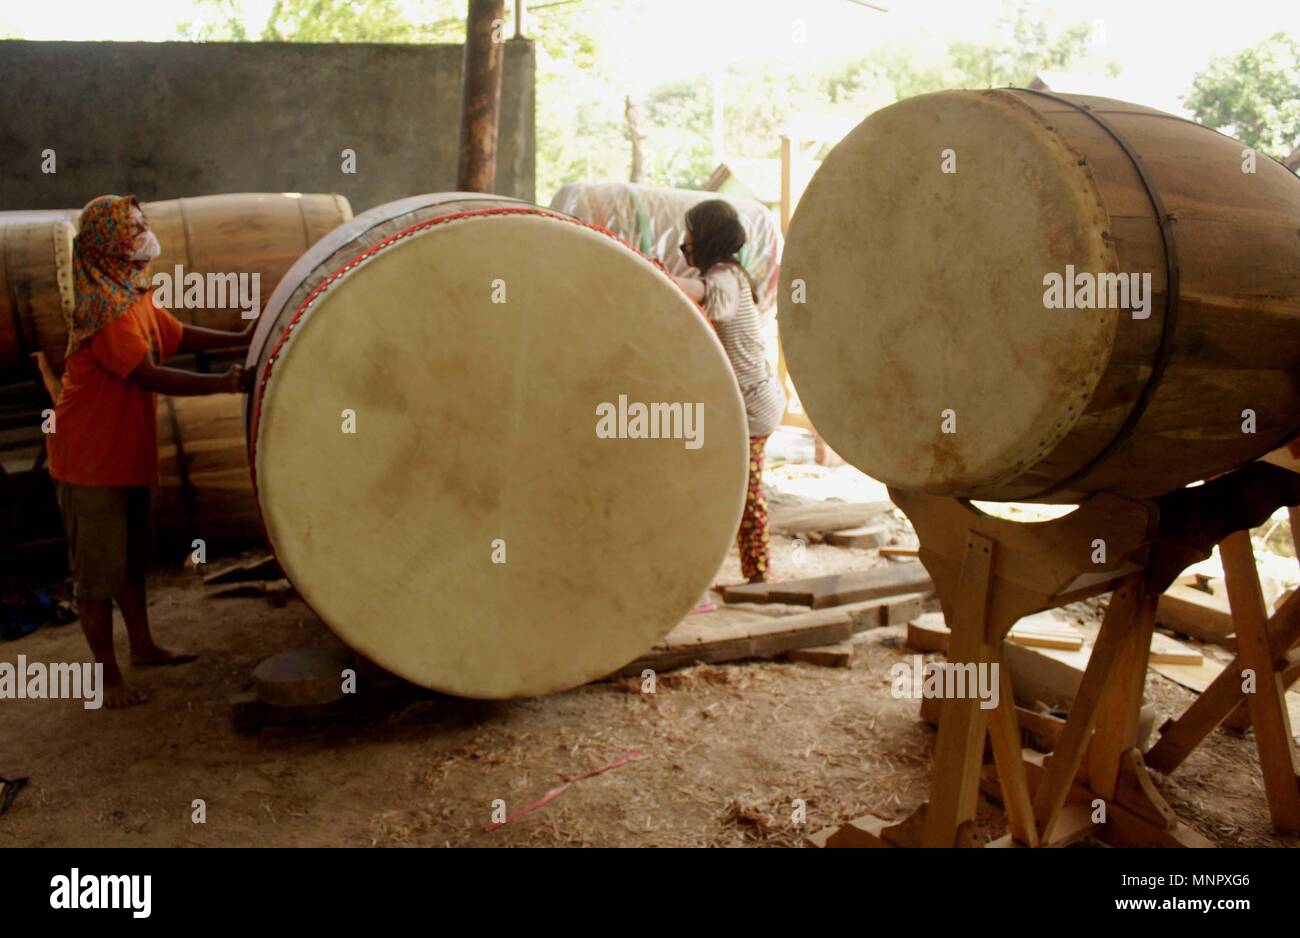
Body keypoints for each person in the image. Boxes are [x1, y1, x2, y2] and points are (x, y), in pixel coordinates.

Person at [47, 195, 254, 708]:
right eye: (133, 229)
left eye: (143, 224)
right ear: (107, 246)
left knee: (131, 560)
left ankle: (142, 647)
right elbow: (149, 374)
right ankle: (107, 679)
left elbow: (175, 335)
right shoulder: (105, 313)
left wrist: (240, 338)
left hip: (124, 451)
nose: (144, 233)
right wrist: (226, 384)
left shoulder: (130, 292)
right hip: (89, 461)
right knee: (97, 575)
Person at [671, 199, 786, 583]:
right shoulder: (732, 273)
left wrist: (648, 275)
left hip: (751, 407)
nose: (683, 244)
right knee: (729, 487)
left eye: (688, 236)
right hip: (745, 403)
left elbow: (707, 293)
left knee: (745, 493)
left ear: (704, 238)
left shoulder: (725, 278)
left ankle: (759, 578)